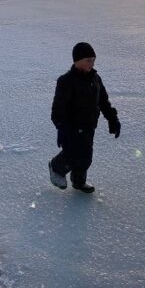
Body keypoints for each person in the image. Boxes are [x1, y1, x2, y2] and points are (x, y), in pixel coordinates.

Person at [48, 42, 120, 193]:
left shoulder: (96, 79)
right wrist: (61, 127)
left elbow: (103, 102)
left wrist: (113, 119)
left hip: (89, 124)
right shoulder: (66, 81)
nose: (91, 63)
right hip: (71, 126)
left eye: (93, 60)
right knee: (72, 153)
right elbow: (57, 109)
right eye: (88, 60)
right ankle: (56, 167)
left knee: (86, 156)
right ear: (77, 61)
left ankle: (79, 182)